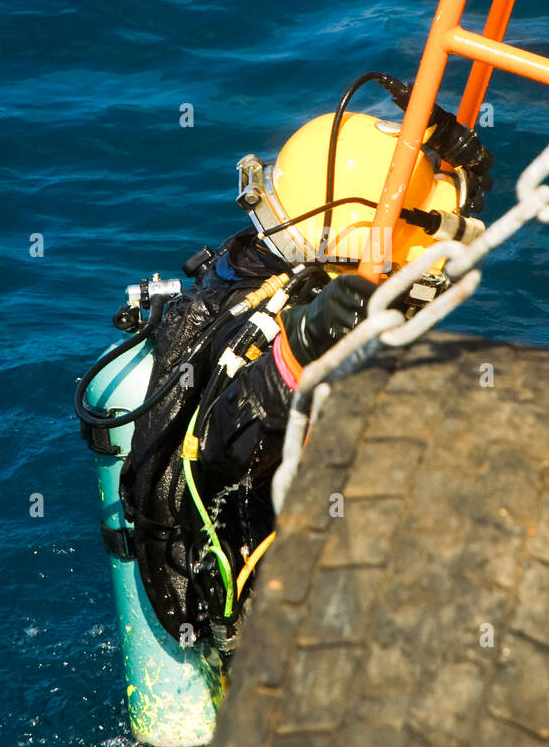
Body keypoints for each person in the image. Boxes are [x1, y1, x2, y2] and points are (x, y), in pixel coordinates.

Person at [118, 73, 493, 661]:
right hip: (259, 614)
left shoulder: (258, 257)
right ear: (350, 257)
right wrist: (300, 350)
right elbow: (221, 445)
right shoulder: (285, 328)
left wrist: (461, 156)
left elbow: (427, 223)